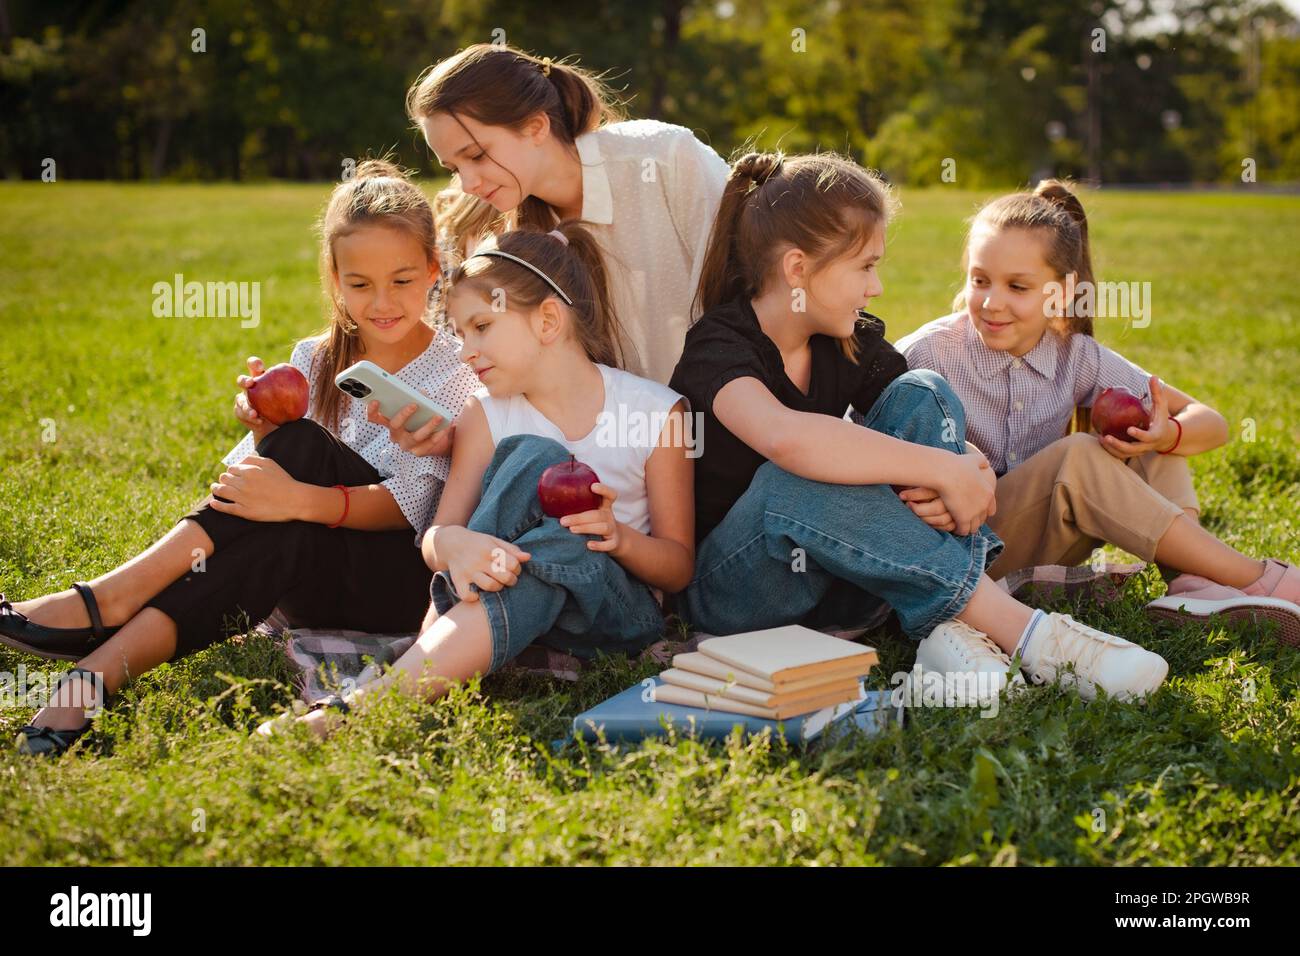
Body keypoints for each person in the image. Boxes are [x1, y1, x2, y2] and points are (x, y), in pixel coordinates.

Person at [1, 160, 481, 756]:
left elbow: (418, 509)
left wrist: (301, 495)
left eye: (402, 280)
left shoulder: (458, 370)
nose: (382, 302)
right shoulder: (313, 358)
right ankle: (90, 679)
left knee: (303, 449)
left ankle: (110, 600)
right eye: (360, 285)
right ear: (335, 279)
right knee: (287, 492)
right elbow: (246, 494)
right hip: (307, 571)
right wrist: (263, 435)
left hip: (397, 583)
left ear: (434, 269)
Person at [897, 180, 1299, 647]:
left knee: (1151, 427)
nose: (992, 302)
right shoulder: (929, 354)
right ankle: (1253, 576)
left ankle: (1191, 582)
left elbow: (1211, 423)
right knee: (1080, 457)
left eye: (1017, 286)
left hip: (1036, 542)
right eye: (979, 280)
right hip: (958, 549)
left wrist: (1165, 434)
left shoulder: (1076, 356)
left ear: (1061, 294)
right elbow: (854, 439)